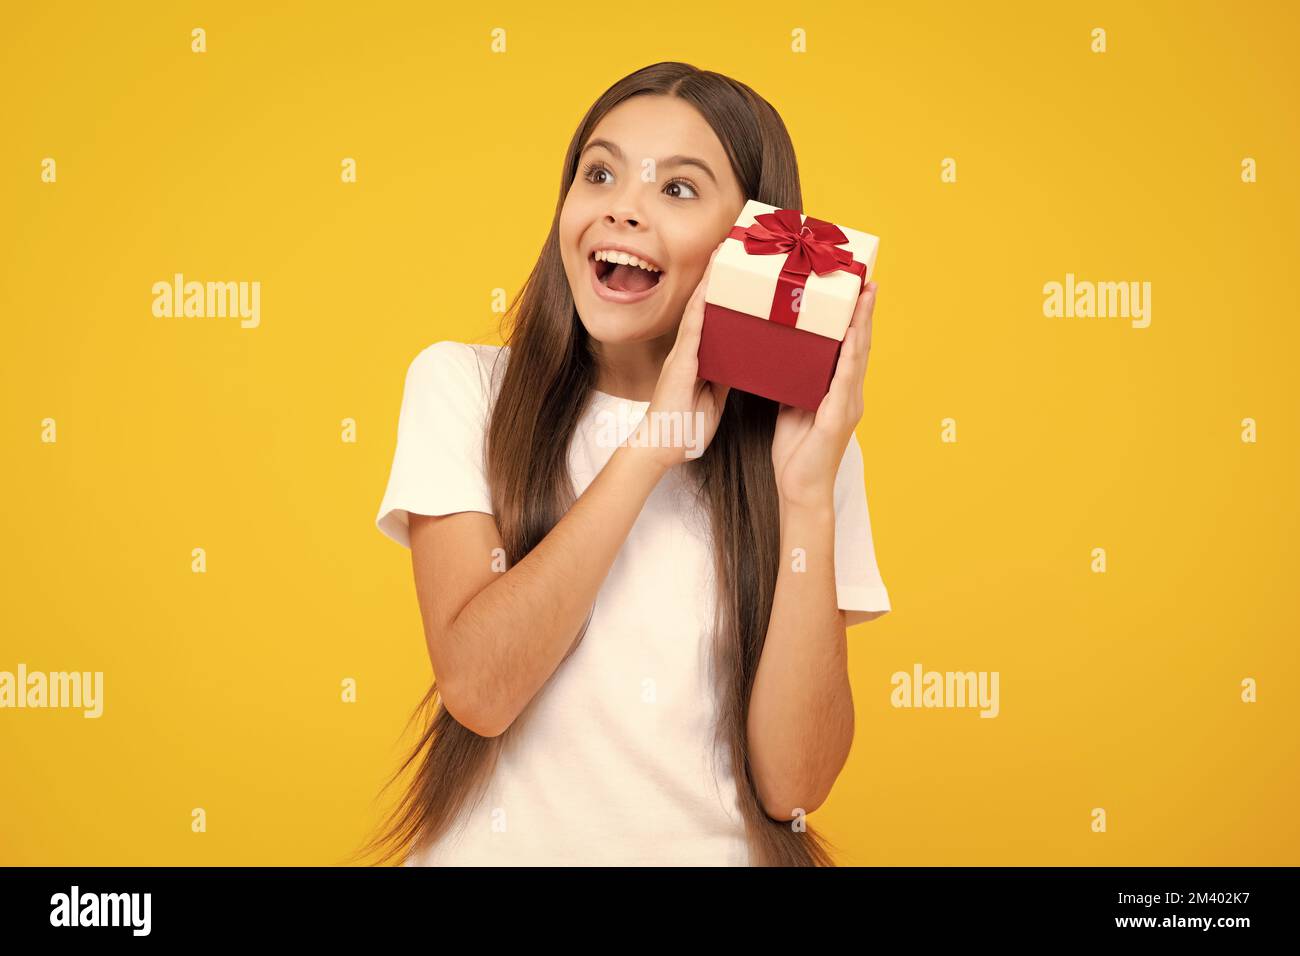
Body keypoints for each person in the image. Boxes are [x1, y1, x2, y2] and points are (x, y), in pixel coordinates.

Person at [361, 61, 890, 867]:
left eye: (677, 189)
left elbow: (794, 785)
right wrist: (652, 445)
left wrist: (809, 495)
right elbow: (479, 691)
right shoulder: (464, 387)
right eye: (600, 173)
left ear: (749, 241)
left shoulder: (803, 450)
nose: (622, 207)